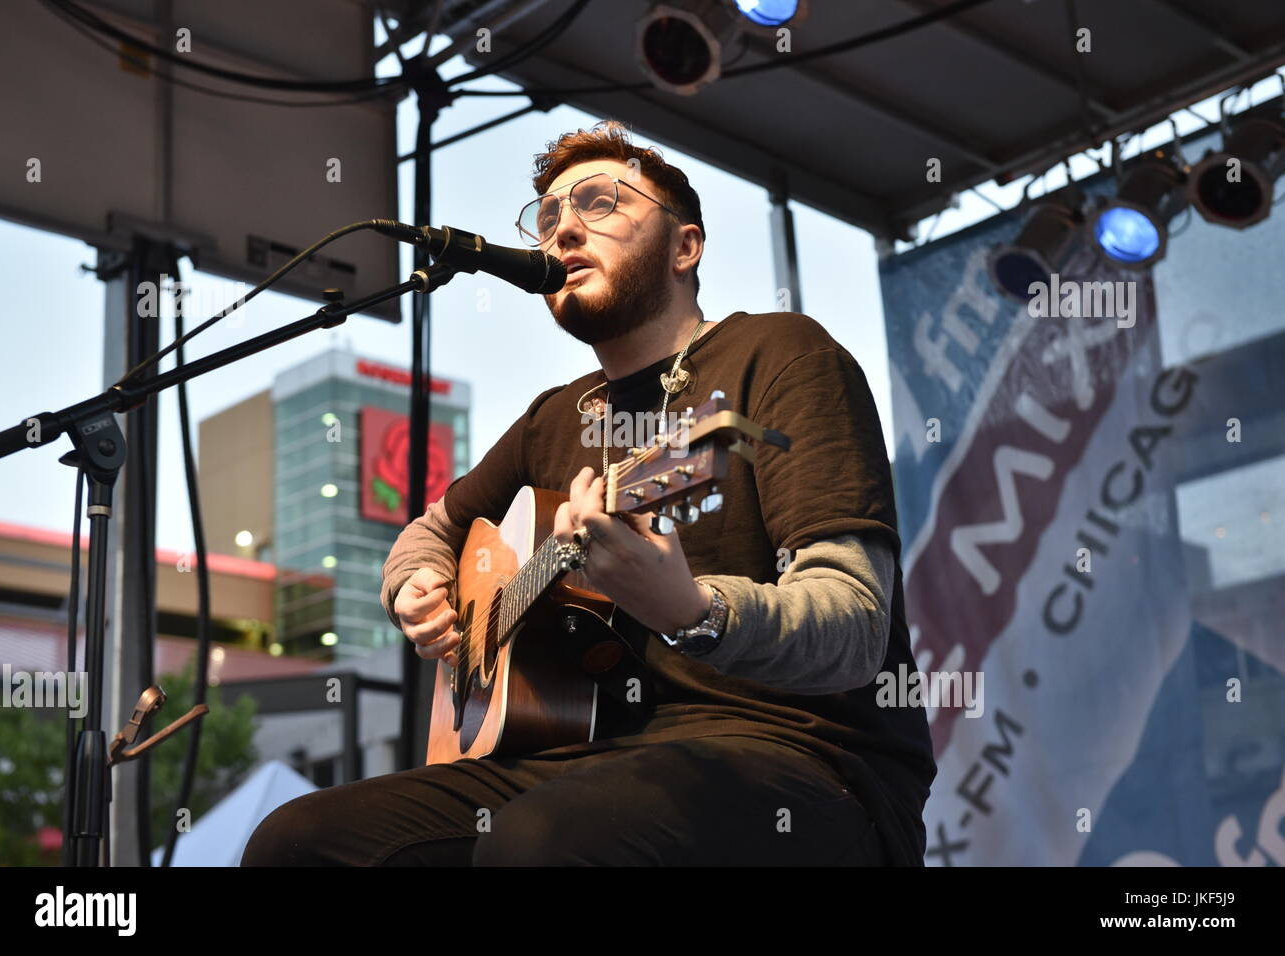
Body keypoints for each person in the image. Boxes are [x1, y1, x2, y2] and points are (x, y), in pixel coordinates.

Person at [241, 119, 935, 867]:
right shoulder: (554, 417)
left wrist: (694, 612)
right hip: (577, 757)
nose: (564, 227)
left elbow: (857, 623)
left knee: (539, 844)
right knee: (295, 844)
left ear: (685, 247)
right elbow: (432, 529)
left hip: (802, 761)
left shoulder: (783, 354)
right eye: (549, 217)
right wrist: (413, 584)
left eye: (600, 203)